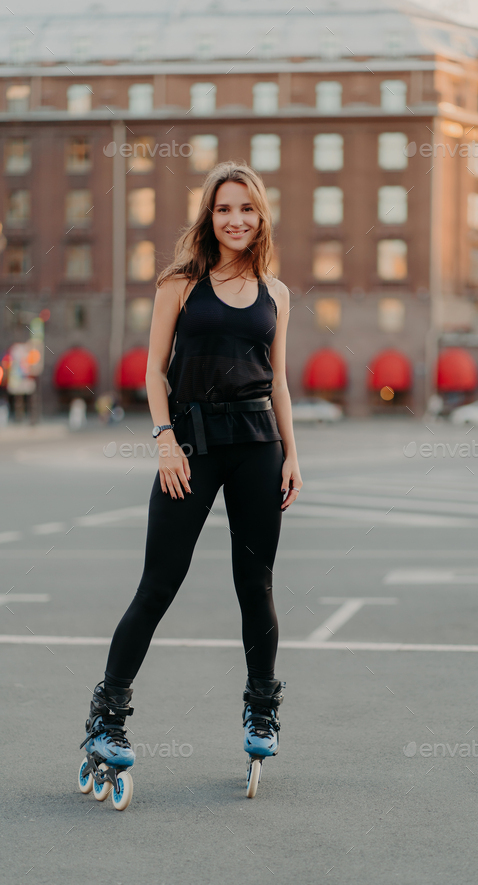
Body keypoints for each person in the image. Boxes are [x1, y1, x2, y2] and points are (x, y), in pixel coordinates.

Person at [79, 161, 303, 803]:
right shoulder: (181, 283)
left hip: (258, 445)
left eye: (248, 210)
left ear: (261, 218)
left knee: (254, 587)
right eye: (225, 208)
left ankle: (262, 708)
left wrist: (292, 455)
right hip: (192, 446)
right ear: (210, 215)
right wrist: (164, 441)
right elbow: (154, 372)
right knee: (158, 584)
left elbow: (279, 380)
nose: (236, 219)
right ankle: (108, 716)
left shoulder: (276, 293)